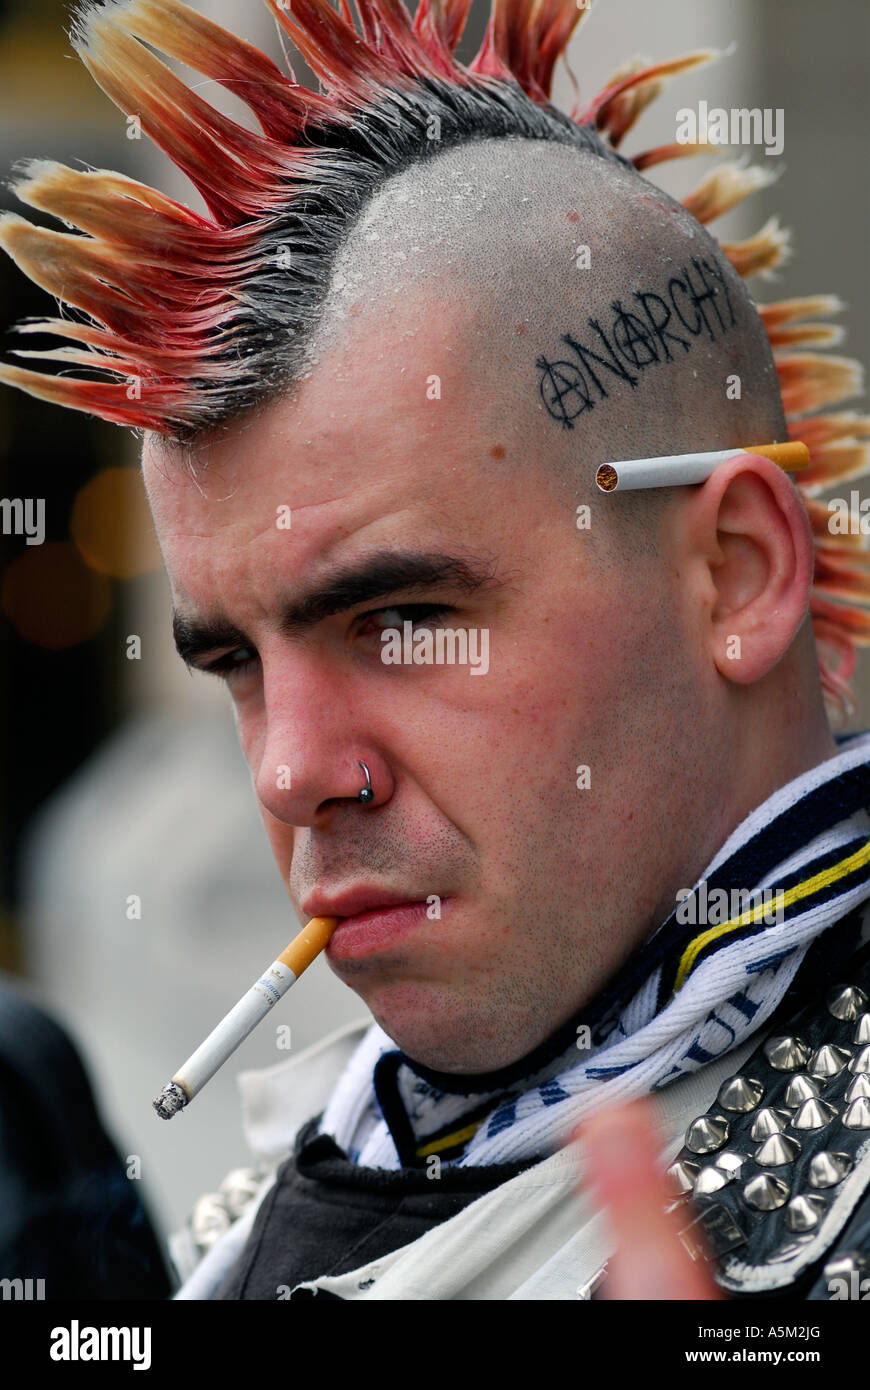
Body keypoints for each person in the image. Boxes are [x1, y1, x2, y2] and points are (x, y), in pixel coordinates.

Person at [2, 0, 870, 1302]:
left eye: (399, 621)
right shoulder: (295, 1183)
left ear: (732, 576)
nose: (294, 771)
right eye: (232, 659)